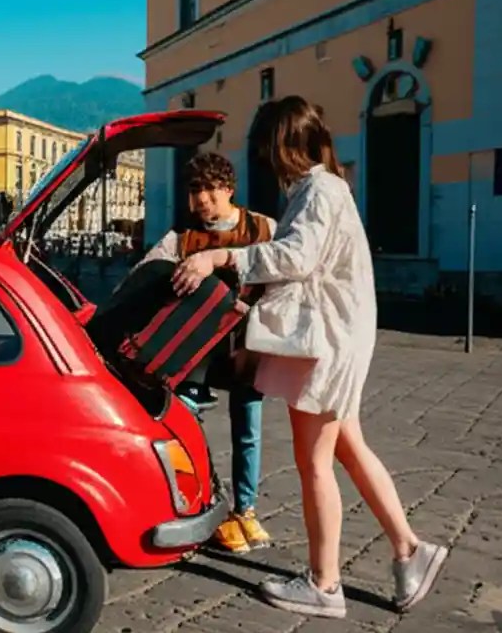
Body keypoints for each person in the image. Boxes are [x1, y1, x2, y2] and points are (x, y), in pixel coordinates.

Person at [170, 96, 447, 619]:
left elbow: (296, 257)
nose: (265, 161)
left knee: (313, 461)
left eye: (266, 150)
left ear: (284, 146)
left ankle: (325, 583)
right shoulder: (318, 189)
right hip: (336, 337)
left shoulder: (321, 190)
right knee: (348, 448)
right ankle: (411, 549)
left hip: (328, 343)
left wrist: (222, 254)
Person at [136, 150, 276, 554]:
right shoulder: (179, 237)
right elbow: (146, 275)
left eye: (210, 190)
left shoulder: (263, 228)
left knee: (248, 427)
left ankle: (245, 510)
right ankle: (202, 503)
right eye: (194, 191)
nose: (201, 201)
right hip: (194, 353)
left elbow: (288, 269)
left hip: (249, 345)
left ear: (228, 189)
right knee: (185, 426)